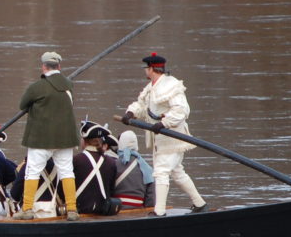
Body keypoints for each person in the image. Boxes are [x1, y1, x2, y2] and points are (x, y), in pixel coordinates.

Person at [121, 52, 207, 217]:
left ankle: (159, 212)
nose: (145, 71)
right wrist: (130, 113)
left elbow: (181, 110)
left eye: (146, 68)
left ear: (151, 69)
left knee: (161, 171)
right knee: (177, 172)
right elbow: (142, 106)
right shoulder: (151, 87)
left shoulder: (171, 85)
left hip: (172, 137)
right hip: (160, 138)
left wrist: (164, 123)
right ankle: (200, 203)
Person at [12, 51, 80, 221]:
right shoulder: (69, 85)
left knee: (32, 172)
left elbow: (22, 105)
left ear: (43, 67)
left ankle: (27, 209)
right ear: (59, 66)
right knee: (67, 172)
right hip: (65, 138)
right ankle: (72, 209)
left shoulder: (36, 87)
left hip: (41, 139)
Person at [73, 121, 120, 215]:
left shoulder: (76, 160)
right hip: (103, 212)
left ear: (84, 141)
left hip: (79, 211)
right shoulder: (111, 162)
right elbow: (112, 190)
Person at [113, 129, 155, 209]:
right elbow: (151, 198)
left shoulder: (113, 164)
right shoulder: (147, 168)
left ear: (120, 144)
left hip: (117, 208)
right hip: (138, 209)